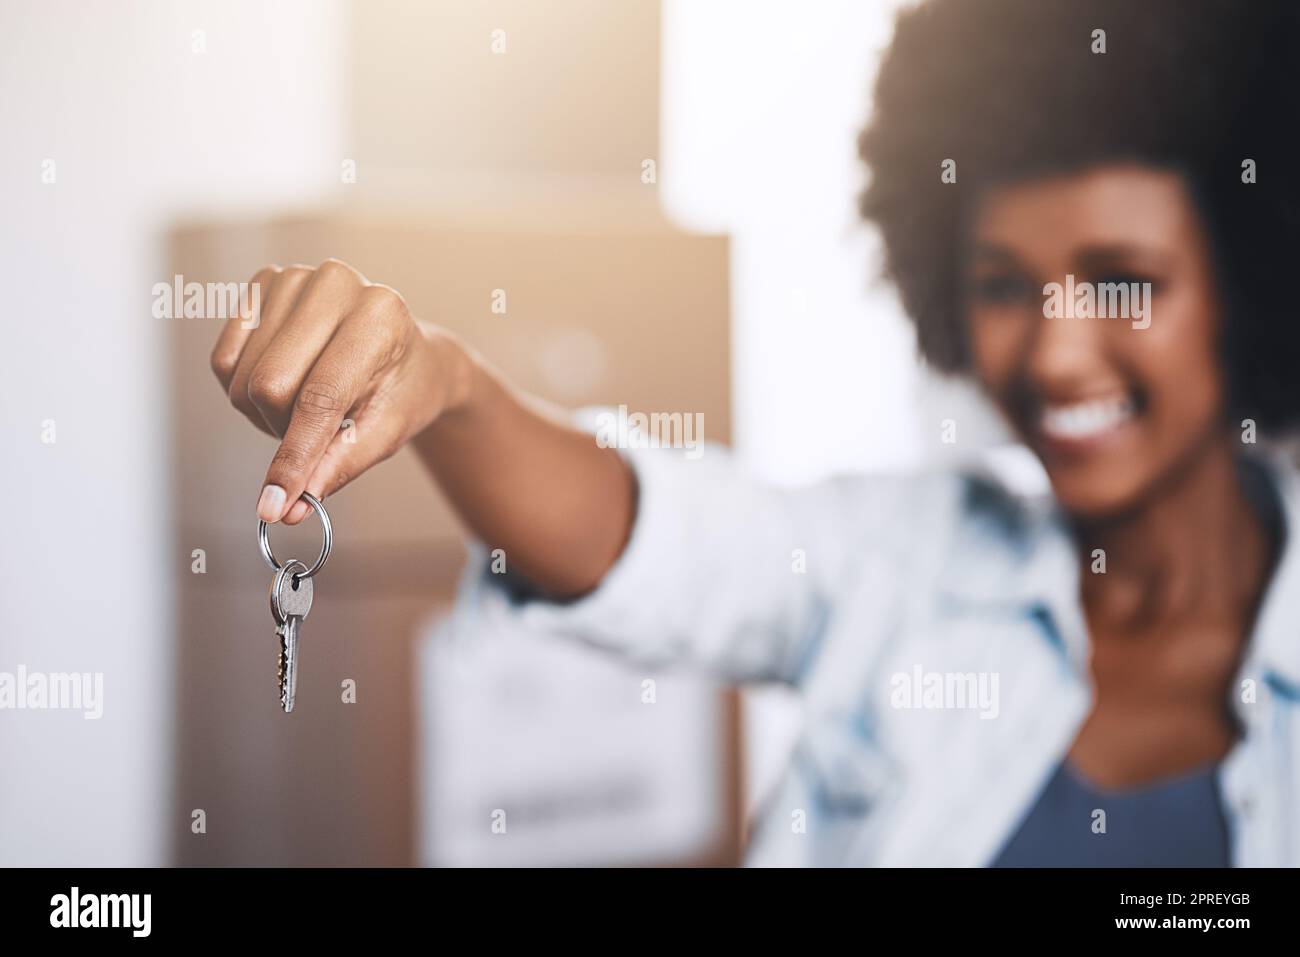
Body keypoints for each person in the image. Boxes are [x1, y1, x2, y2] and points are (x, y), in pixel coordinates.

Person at [209, 0, 1300, 865]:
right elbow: (651, 537)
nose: (1056, 354)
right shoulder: (907, 562)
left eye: (1119, 284)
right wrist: (445, 379)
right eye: (1005, 286)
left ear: (1241, 283)